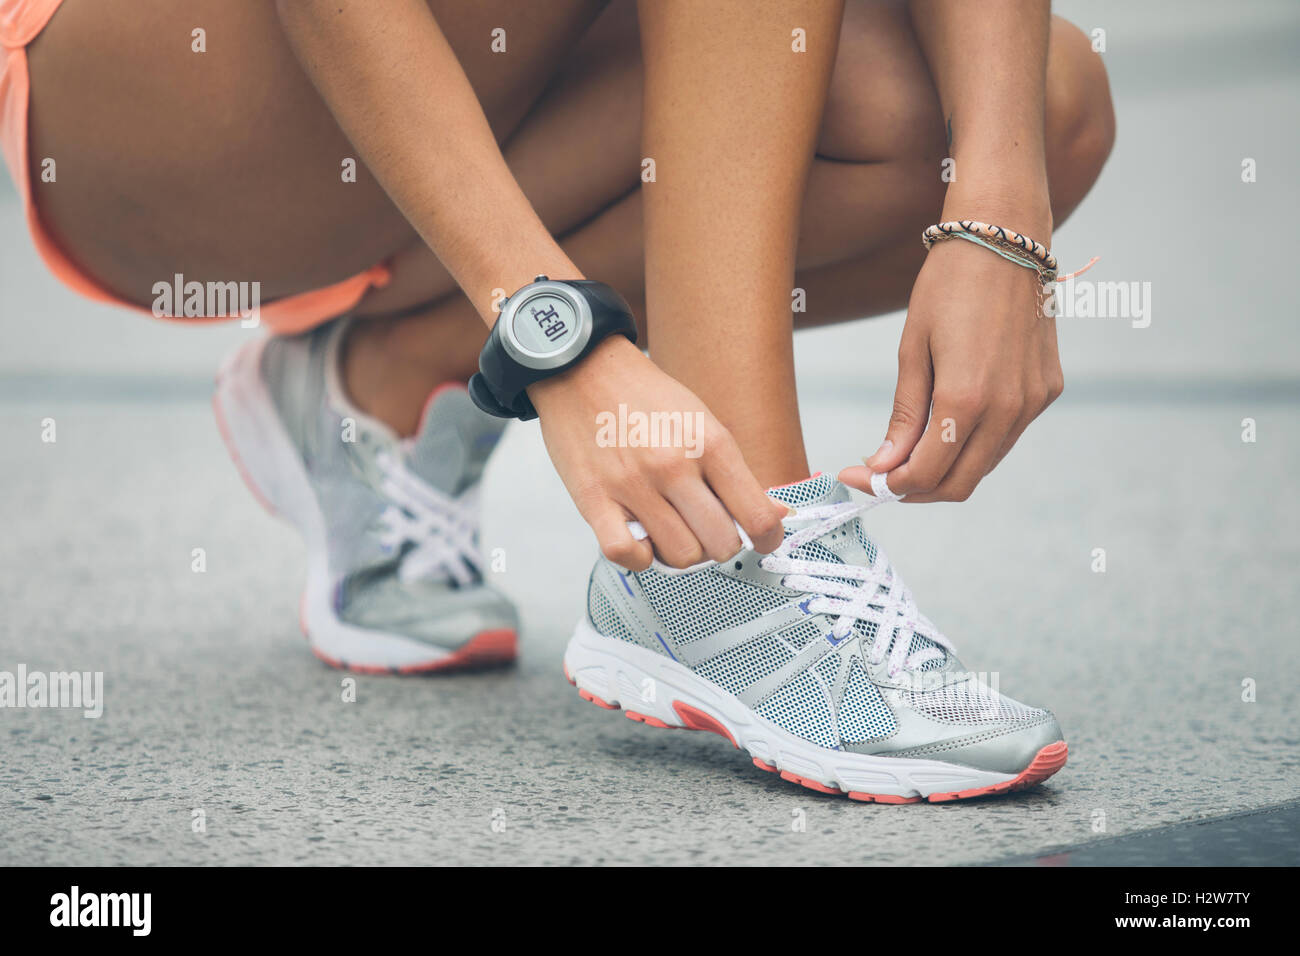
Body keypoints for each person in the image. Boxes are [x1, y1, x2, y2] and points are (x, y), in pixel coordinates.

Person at [1, 0, 1114, 800]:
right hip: (167, 97)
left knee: (1035, 104)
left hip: (504, 63)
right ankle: (724, 554)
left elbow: (1001, 146)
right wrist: (554, 330)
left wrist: (999, 217)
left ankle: (391, 380)